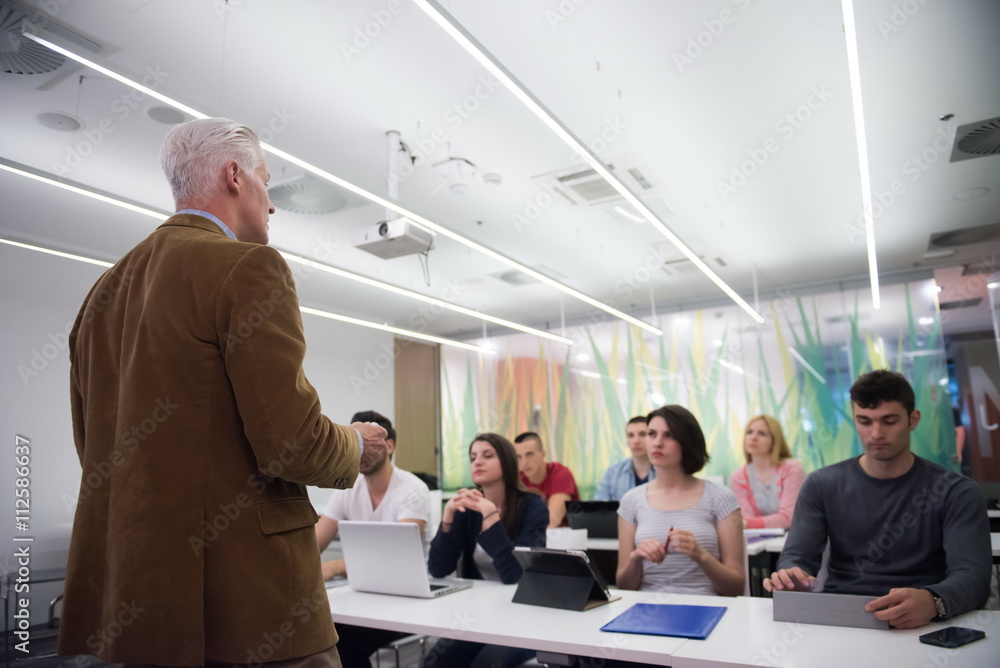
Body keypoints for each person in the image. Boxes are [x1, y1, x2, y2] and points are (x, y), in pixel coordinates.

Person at [60, 117, 388, 666]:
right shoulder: (247, 268)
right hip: (252, 602)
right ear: (235, 176)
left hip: (141, 601)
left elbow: (92, 448)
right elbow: (291, 443)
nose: (274, 203)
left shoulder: (102, 293)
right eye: (266, 180)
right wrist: (356, 445)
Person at [765, 370, 992, 629]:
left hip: (923, 621)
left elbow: (973, 578)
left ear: (913, 419)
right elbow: (797, 557)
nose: (876, 433)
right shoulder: (821, 485)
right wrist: (792, 575)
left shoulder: (957, 492)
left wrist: (933, 601)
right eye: (864, 421)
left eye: (889, 421)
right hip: (843, 617)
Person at [315, 411, 431, 668]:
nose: (361, 449)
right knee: (319, 634)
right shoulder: (347, 488)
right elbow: (314, 545)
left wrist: (335, 567)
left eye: (368, 441)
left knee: (341, 642)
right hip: (361, 597)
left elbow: (398, 556)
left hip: (405, 601)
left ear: (389, 446)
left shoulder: (413, 490)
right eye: (358, 441)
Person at [423, 433, 548, 667]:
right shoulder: (468, 507)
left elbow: (514, 574)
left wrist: (491, 516)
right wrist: (448, 518)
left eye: (487, 456)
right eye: (473, 457)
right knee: (434, 661)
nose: (477, 462)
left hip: (525, 615)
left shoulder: (534, 506)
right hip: (479, 614)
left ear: (508, 462)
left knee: (489, 663)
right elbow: (438, 569)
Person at [616, 406, 744, 596]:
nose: (657, 443)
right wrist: (636, 559)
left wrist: (700, 555)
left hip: (707, 608)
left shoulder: (721, 497)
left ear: (687, 442)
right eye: (651, 434)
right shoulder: (630, 500)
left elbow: (736, 588)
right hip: (646, 610)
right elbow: (624, 587)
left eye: (669, 436)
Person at [728, 415, 805, 529]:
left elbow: (788, 518)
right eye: (749, 432)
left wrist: (748, 524)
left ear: (774, 440)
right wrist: (748, 523)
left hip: (794, 536)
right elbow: (747, 517)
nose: (753, 437)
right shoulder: (737, 477)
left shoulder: (793, 469)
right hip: (759, 541)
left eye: (762, 433)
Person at [514, 431, 579, 527]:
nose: (524, 462)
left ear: (543, 454)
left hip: (563, 538)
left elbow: (552, 520)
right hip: (533, 537)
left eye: (529, 454)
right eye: (519, 457)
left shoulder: (561, 474)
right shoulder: (518, 479)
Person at [595, 416, 656, 501]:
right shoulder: (612, 473)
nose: (636, 441)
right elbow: (600, 509)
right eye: (630, 435)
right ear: (626, 439)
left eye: (642, 434)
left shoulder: (665, 471)